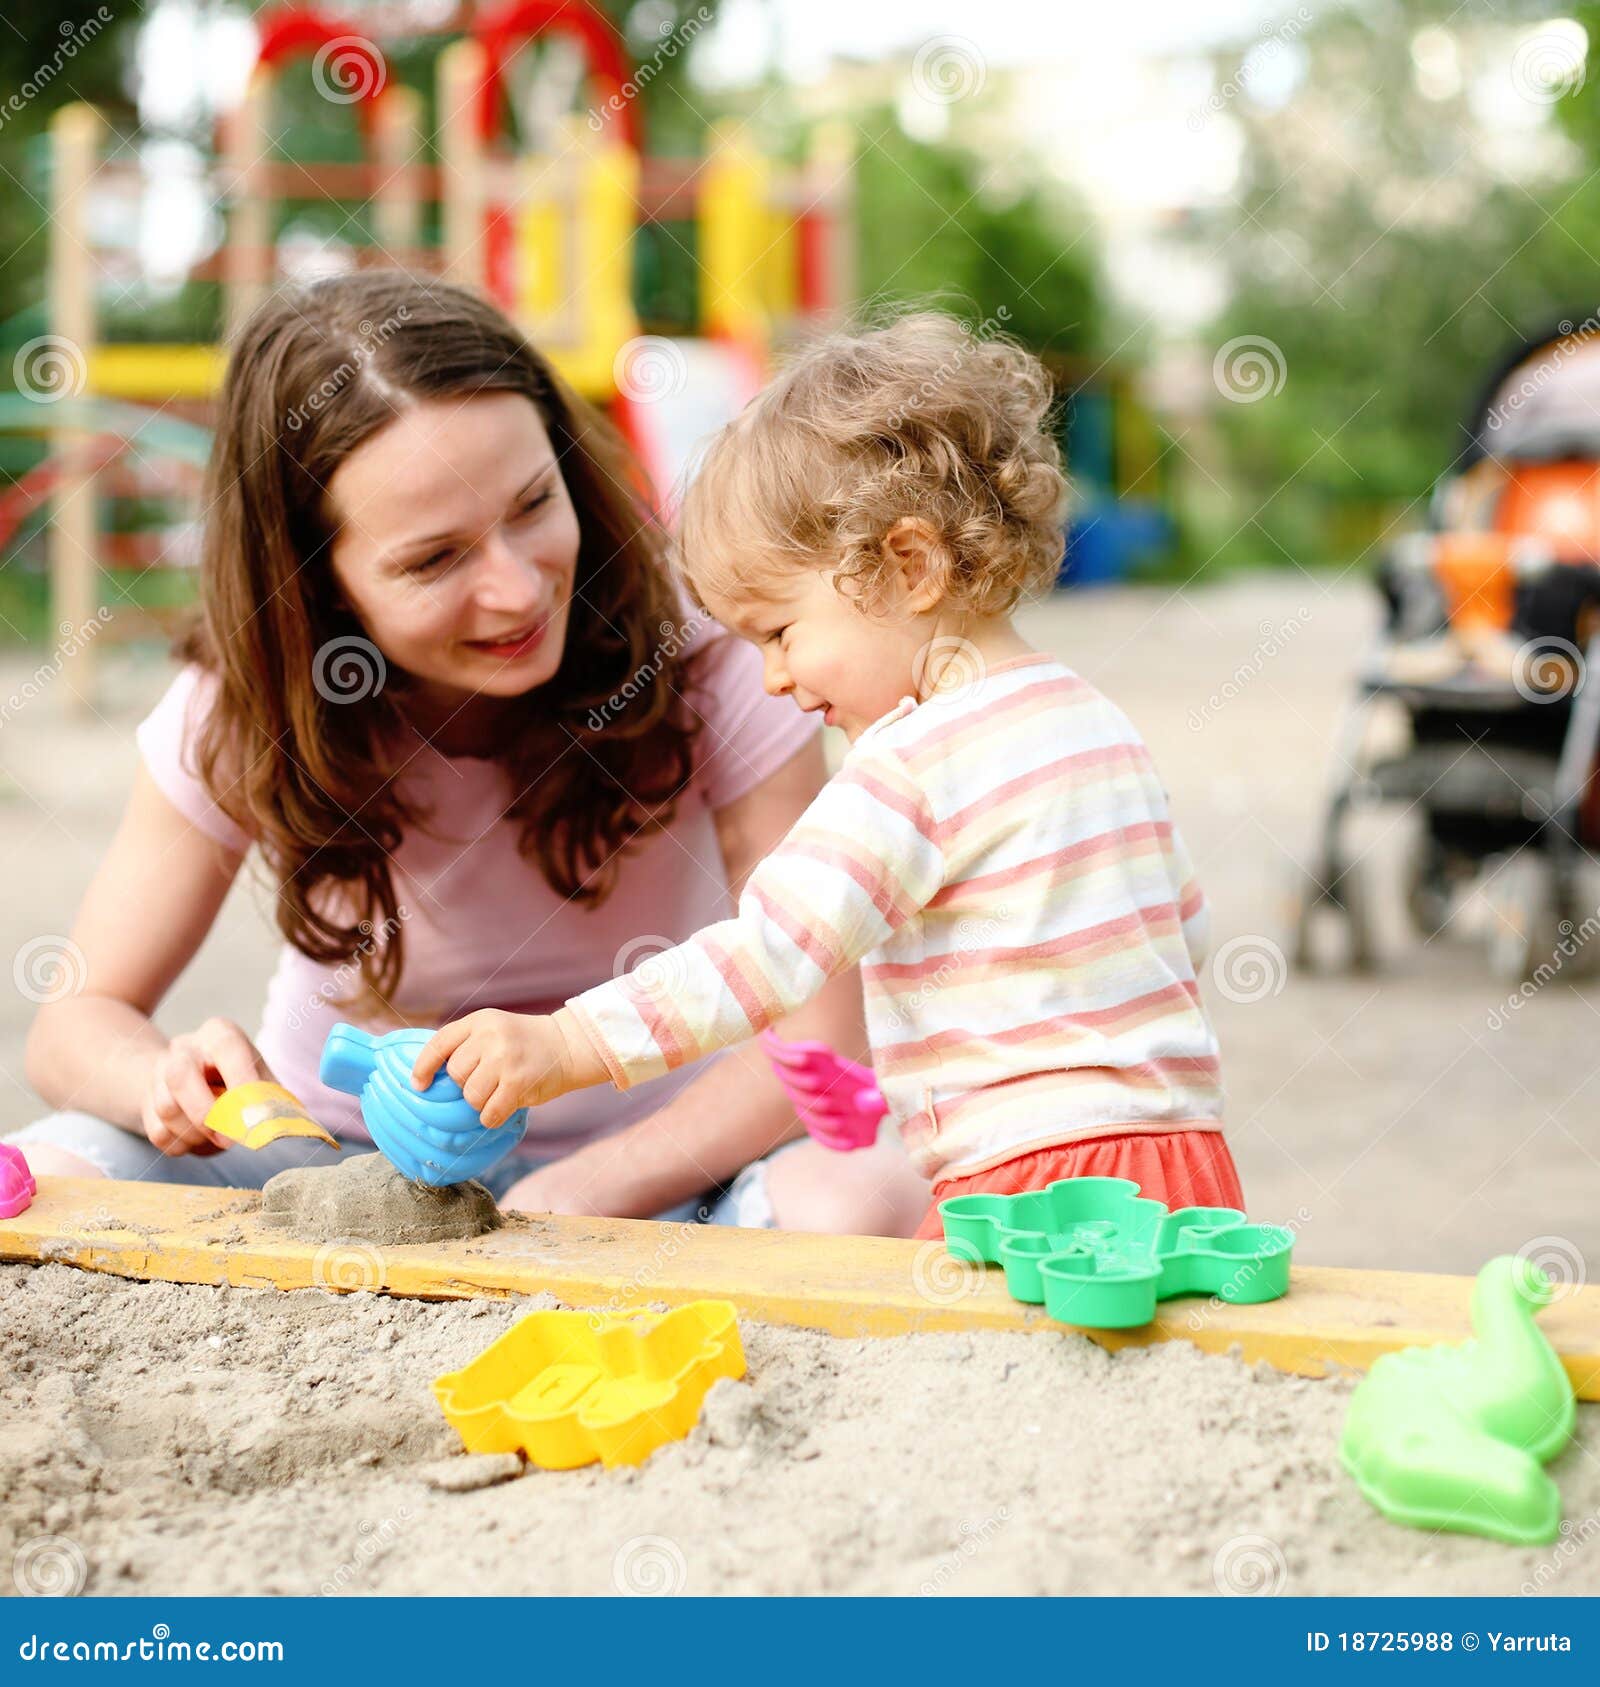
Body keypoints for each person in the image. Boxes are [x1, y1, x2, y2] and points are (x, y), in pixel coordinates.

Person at [11, 272, 927, 1236]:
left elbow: (822, 1043)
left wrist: (572, 1195)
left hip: (664, 1158)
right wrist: (159, 1078)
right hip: (327, 1161)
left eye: (534, 503)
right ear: (318, 588)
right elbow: (77, 1020)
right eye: (434, 559)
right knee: (56, 1164)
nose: (519, 590)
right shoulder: (237, 712)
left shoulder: (712, 652)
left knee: (866, 1188)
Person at [411, 312, 1243, 1238]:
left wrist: (566, 1041)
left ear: (911, 565)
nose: (772, 675)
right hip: (1183, 1163)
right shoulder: (1096, 722)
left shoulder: (908, 764)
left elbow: (763, 958)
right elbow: (1186, 931)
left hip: (1026, 1184)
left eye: (779, 631)